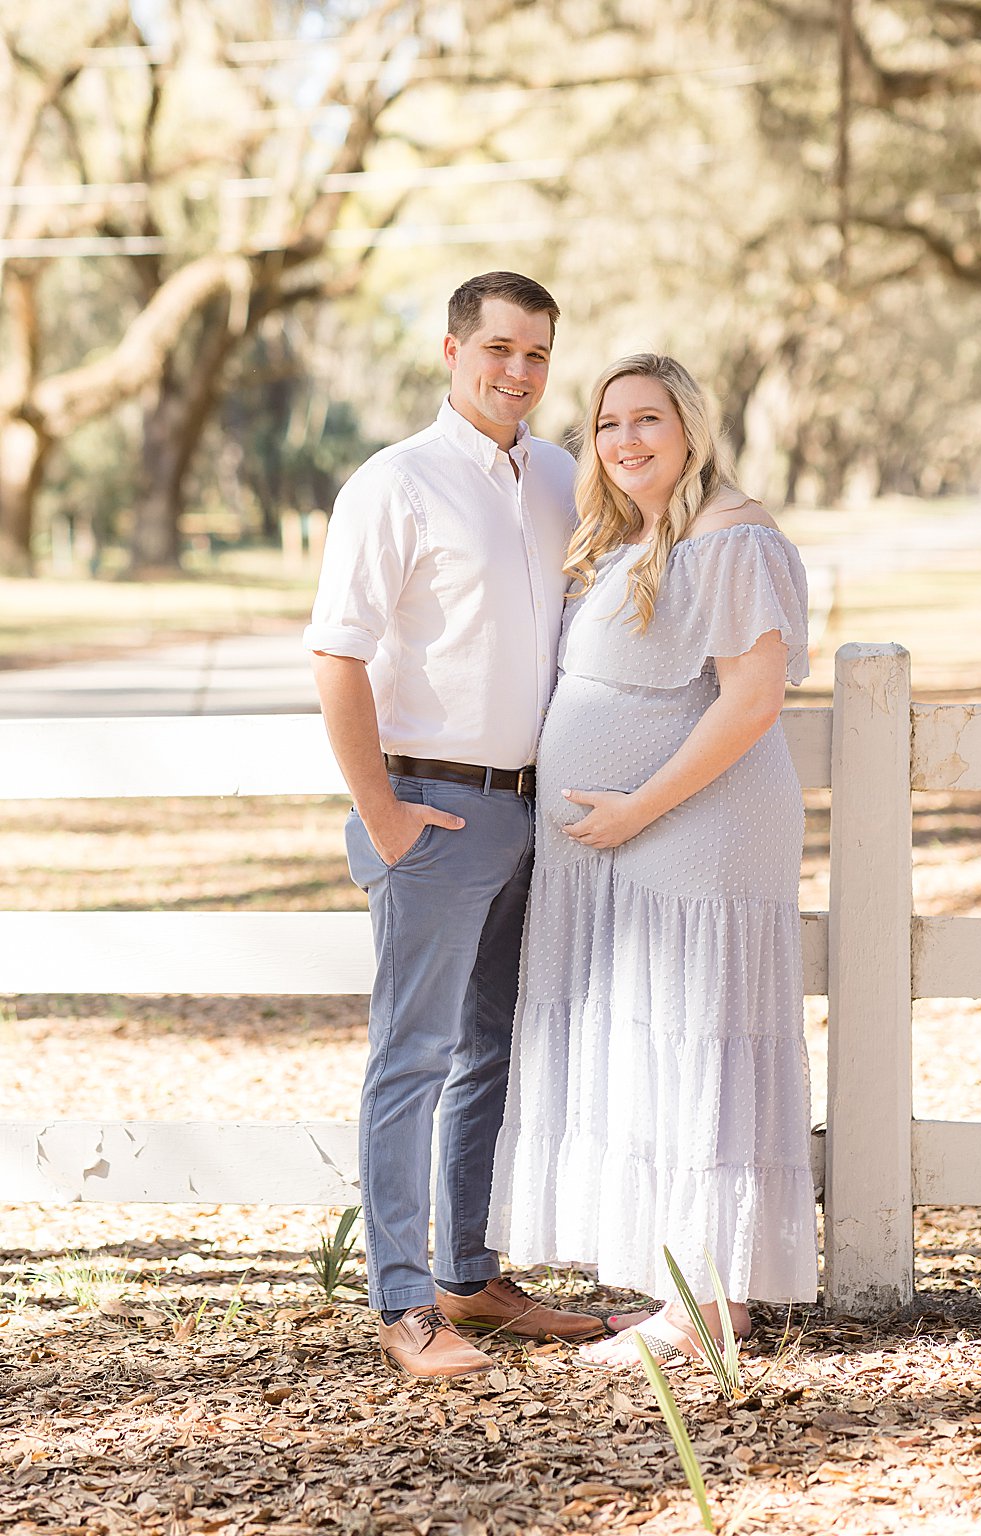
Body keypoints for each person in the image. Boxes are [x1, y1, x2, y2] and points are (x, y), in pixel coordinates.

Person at [306, 272, 610, 1378]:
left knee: (492, 1051)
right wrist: (382, 815)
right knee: (413, 1057)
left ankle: (469, 1280)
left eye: (536, 354)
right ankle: (401, 1306)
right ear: (449, 350)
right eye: (498, 349)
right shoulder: (395, 485)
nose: (518, 373)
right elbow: (337, 654)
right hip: (431, 808)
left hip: (534, 811)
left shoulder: (563, 479)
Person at [486, 352, 817, 1367]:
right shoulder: (636, 537)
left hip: (693, 833)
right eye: (609, 424)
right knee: (652, 1046)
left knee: (694, 1041)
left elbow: (752, 700)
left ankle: (704, 1316)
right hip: (628, 842)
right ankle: (694, 1293)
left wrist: (636, 808)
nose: (627, 439)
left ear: (691, 429)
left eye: (649, 419)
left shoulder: (732, 536)